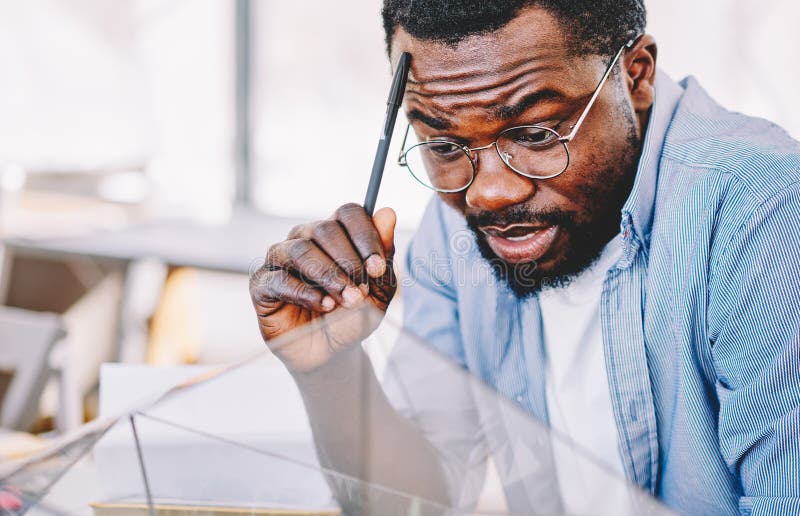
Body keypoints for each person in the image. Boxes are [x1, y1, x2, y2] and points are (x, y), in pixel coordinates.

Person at [249, 1, 800, 514]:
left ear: (636, 76)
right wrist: (329, 370)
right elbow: (417, 498)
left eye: (535, 134)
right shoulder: (457, 228)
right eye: (444, 146)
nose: (489, 194)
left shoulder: (764, 212)